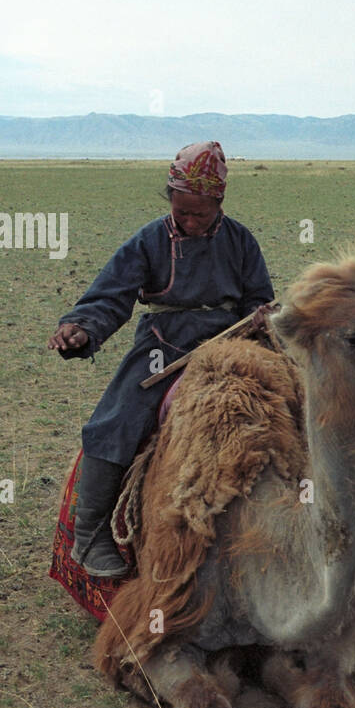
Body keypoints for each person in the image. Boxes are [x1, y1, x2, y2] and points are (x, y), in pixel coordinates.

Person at [48, 142, 275, 577]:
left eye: (200, 214)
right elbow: (111, 297)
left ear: (219, 202)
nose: (189, 221)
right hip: (164, 344)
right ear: (170, 198)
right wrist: (82, 328)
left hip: (230, 344)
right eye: (181, 211)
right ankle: (91, 536)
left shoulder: (240, 240)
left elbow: (258, 299)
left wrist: (260, 317)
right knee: (117, 419)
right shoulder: (150, 240)